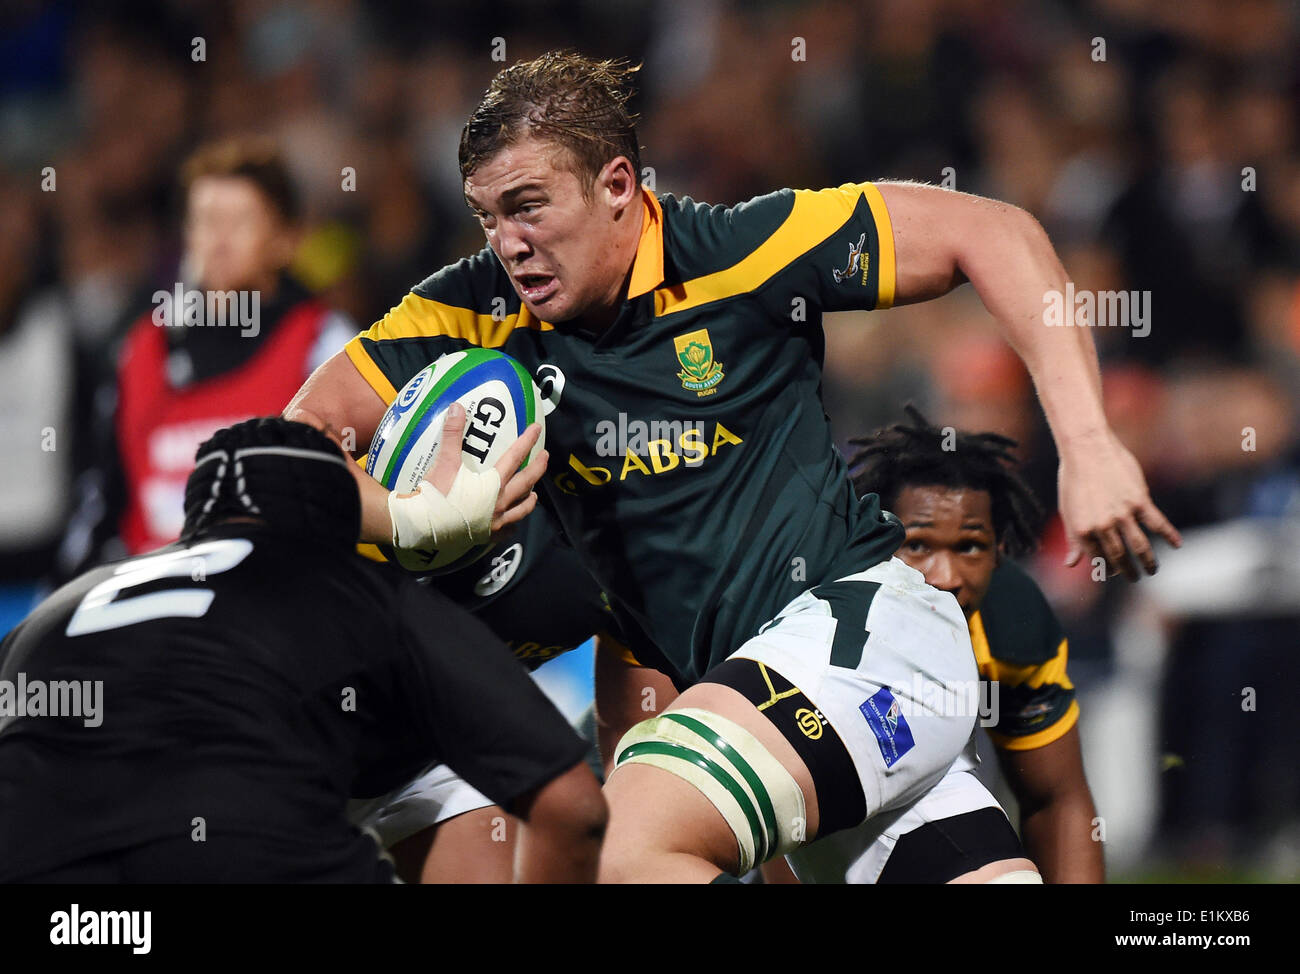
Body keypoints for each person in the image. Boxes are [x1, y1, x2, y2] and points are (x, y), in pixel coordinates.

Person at [285, 52, 1180, 883]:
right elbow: (296, 442)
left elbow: (996, 232)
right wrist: (404, 521)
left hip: (863, 635)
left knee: (624, 848)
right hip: (781, 708)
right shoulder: (470, 312)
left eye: (528, 205)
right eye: (488, 216)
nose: (507, 242)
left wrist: (1092, 446)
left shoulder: (744, 253)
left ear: (618, 186)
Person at [0, 417, 605, 883]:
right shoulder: (365, 593)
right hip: (248, 853)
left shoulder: (50, 614)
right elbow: (573, 807)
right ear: (346, 521)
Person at [778, 407, 1103, 883]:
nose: (946, 577)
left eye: (969, 546)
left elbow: (1057, 800)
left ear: (999, 550)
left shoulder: (1014, 623)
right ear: (870, 540)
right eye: (917, 545)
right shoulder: (815, 619)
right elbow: (783, 812)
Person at [56, 137, 355, 580]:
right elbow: (100, 505)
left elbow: (349, 499)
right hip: (147, 602)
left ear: (286, 240)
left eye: (239, 223)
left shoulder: (325, 346)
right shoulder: (138, 349)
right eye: (205, 222)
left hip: (276, 600)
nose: (218, 241)